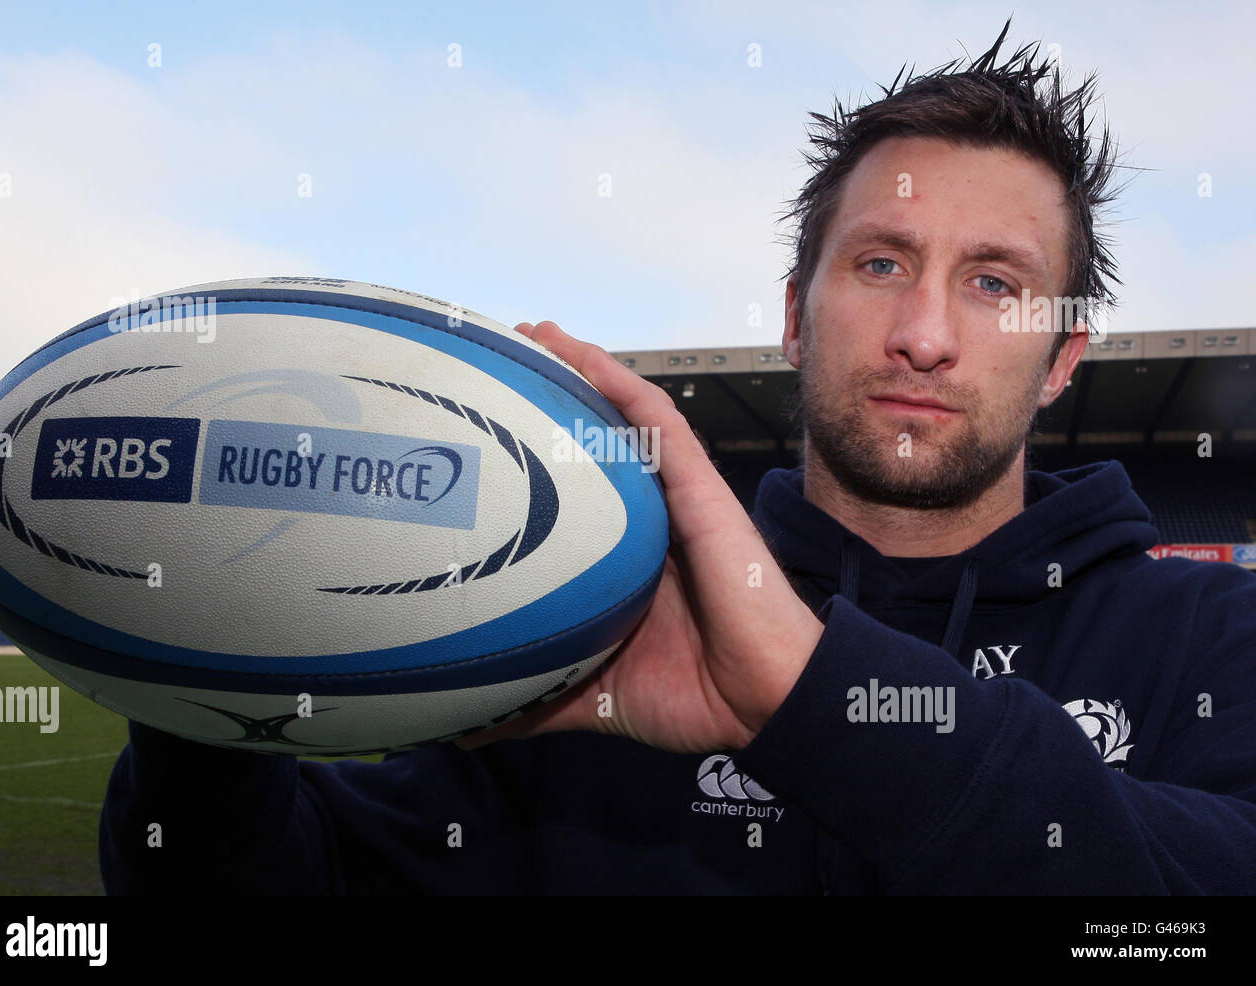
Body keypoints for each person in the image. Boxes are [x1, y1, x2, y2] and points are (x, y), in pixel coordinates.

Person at [99, 22, 1256, 894]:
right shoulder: (590, 629)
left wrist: (817, 700)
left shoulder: (1211, 634)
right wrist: (210, 685)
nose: (925, 332)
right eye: (879, 264)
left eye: (993, 282)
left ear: (1062, 359)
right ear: (795, 319)